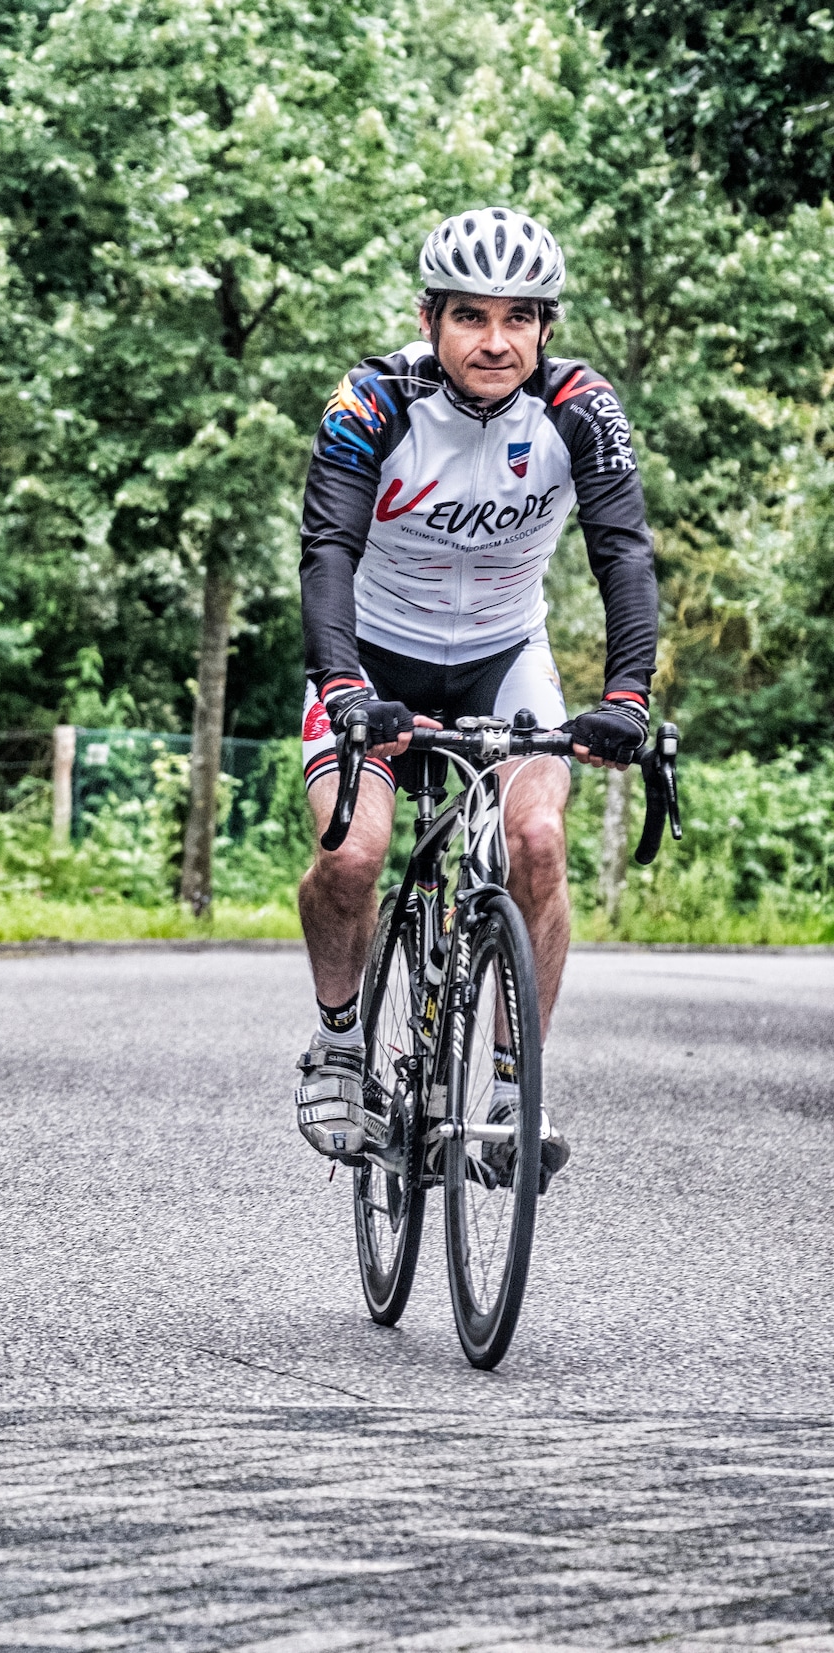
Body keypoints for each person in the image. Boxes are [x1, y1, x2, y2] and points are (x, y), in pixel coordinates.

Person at [291, 207, 660, 1178]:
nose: (493, 340)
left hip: (504, 655)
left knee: (536, 840)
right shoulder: (370, 399)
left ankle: (507, 1094)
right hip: (370, 658)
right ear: (428, 318)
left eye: (517, 318)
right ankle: (337, 1047)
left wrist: (626, 694)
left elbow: (620, 552)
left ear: (545, 326)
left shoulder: (580, 407)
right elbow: (326, 549)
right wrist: (338, 686)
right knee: (352, 855)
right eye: (468, 316)